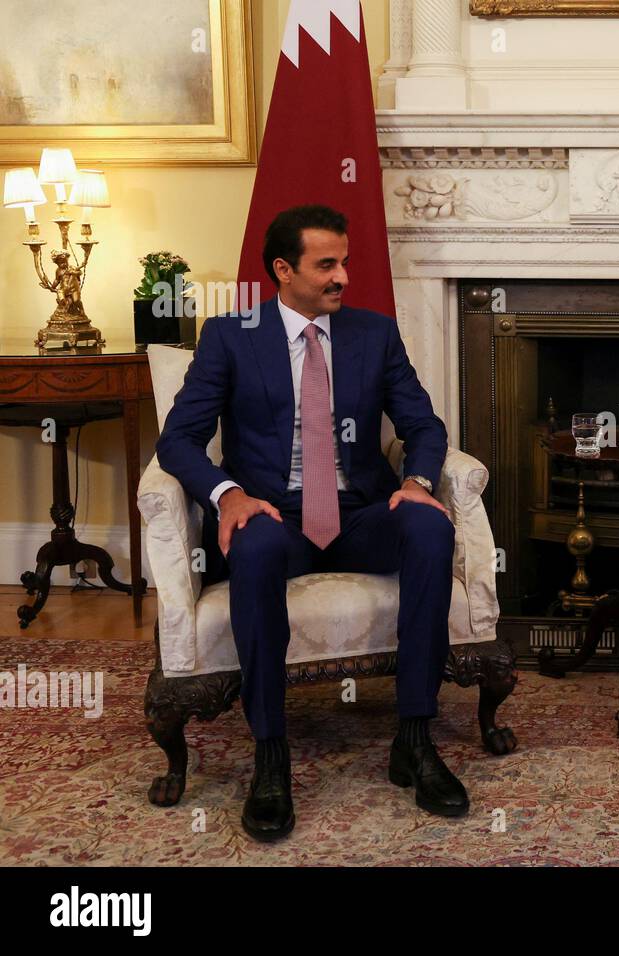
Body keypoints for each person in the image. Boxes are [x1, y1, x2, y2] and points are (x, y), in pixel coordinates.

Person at [157, 205, 465, 841]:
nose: (343, 277)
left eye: (344, 262)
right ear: (282, 270)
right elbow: (179, 440)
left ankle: (415, 738)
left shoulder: (373, 335)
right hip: (275, 512)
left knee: (431, 527)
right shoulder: (230, 335)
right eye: (327, 264)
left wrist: (416, 482)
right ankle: (271, 754)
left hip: (358, 512)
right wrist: (227, 493)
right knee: (256, 542)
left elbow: (424, 427)